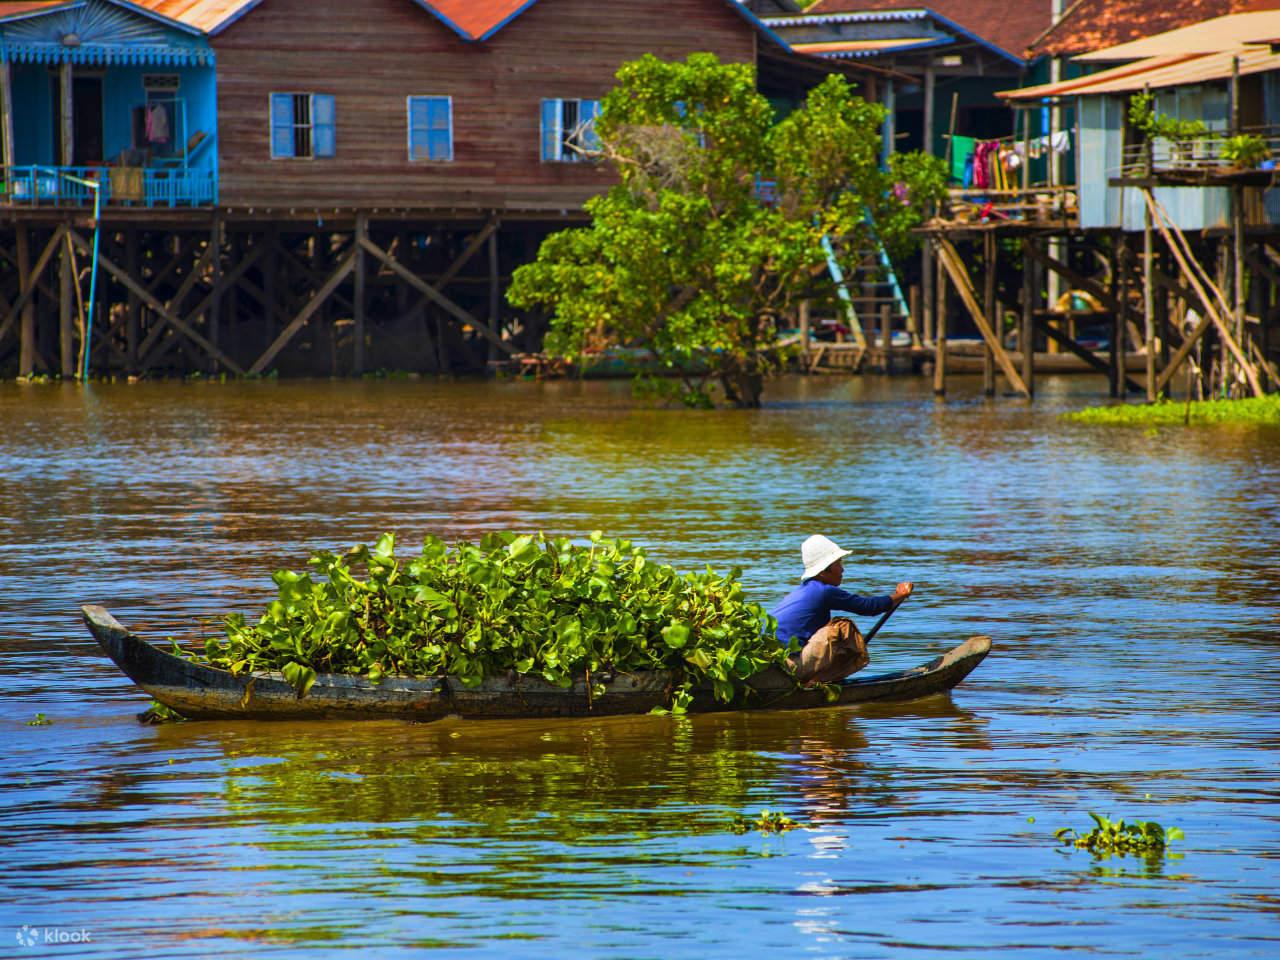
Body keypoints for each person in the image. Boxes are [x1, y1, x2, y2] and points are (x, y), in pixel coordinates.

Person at [770, 534, 912, 685]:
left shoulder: (799, 592)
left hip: (776, 667)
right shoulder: (824, 591)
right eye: (838, 564)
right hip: (792, 667)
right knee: (843, 627)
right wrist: (901, 594)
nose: (842, 570)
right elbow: (868, 607)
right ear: (823, 572)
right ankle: (816, 681)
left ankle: (816, 679)